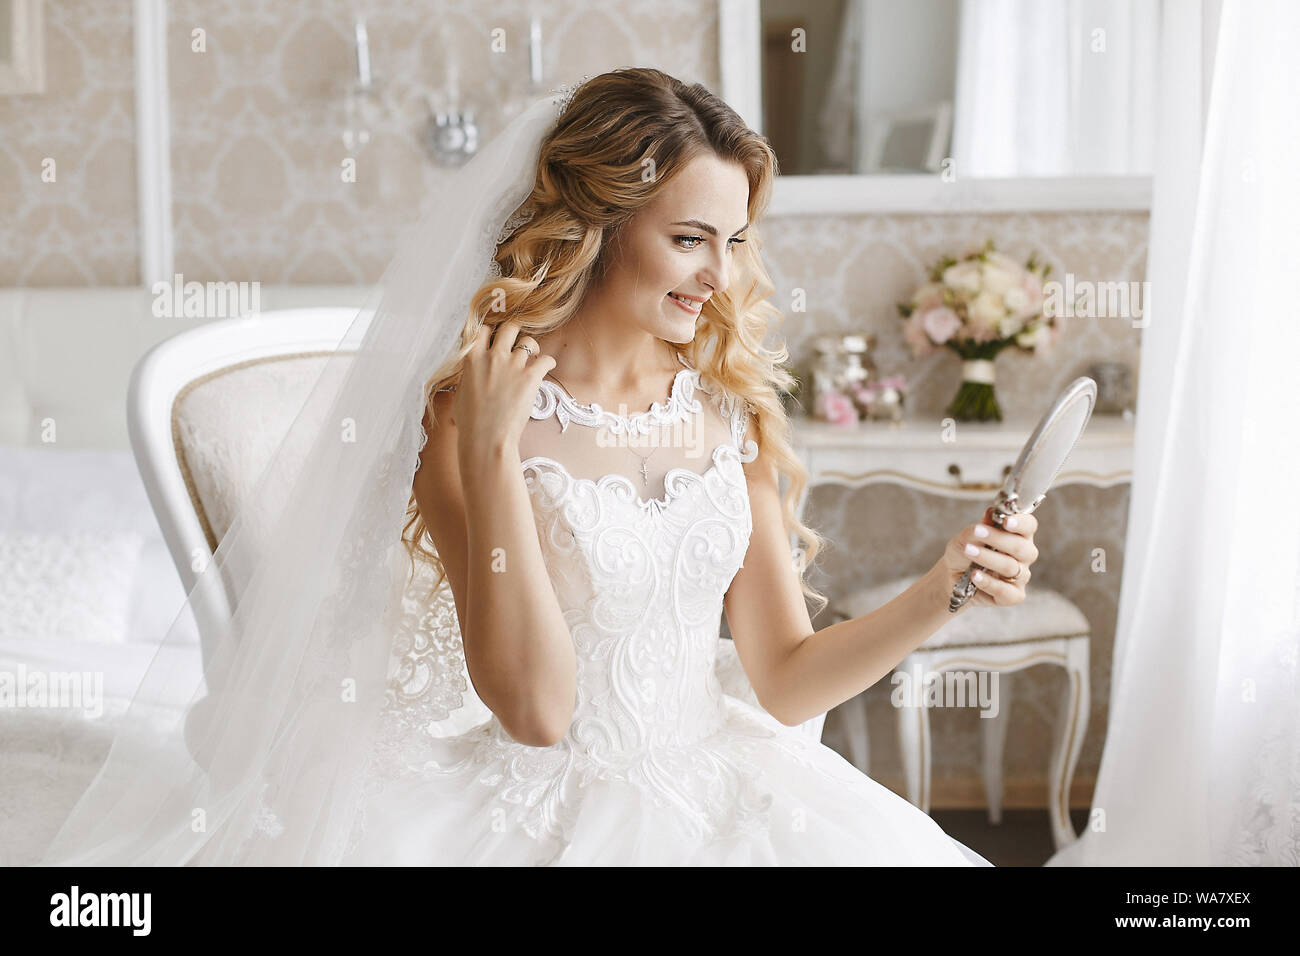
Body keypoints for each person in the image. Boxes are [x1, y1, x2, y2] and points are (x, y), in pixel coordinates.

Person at [38, 68, 1037, 866]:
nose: (718, 276)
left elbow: (781, 679)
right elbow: (537, 710)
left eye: (731, 242)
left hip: (718, 777)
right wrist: (490, 456)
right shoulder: (464, 412)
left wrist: (942, 589)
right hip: (538, 807)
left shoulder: (721, 404)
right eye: (688, 239)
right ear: (598, 229)